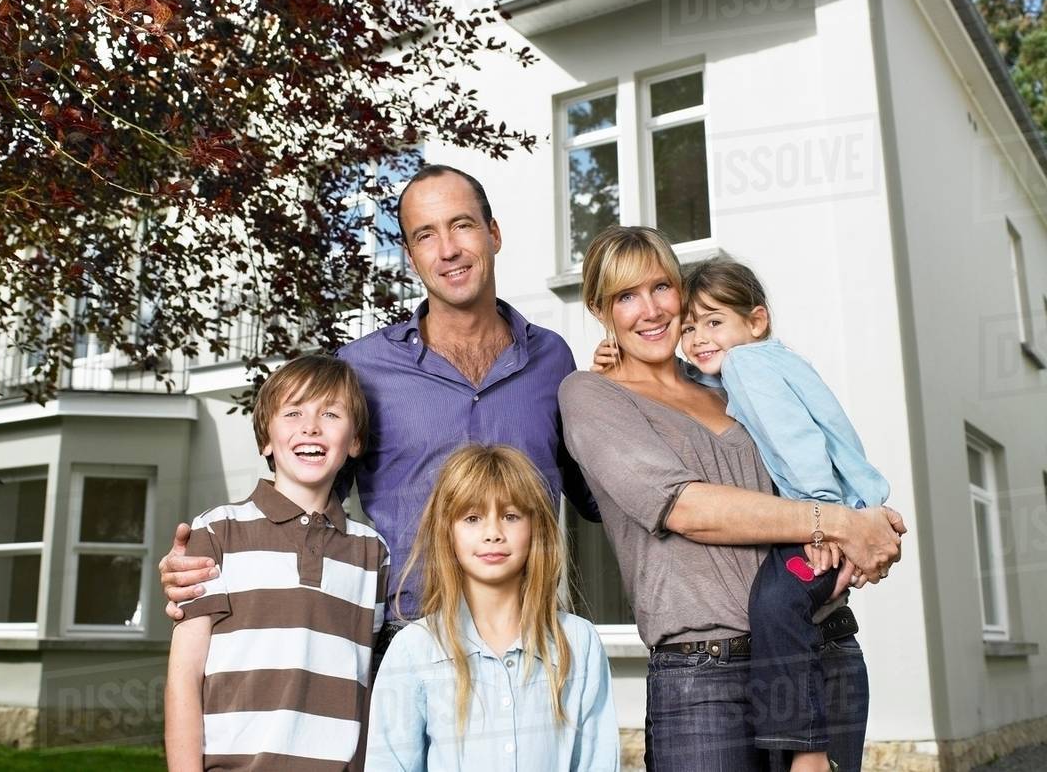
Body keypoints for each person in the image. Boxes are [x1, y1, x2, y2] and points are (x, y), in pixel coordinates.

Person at [159, 165, 600, 663]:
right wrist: (218, 557)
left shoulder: (552, 359)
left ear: (493, 233)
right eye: (426, 236)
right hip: (407, 638)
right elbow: (306, 500)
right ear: (411, 257)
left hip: (531, 633)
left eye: (462, 225)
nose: (448, 250)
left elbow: (595, 495)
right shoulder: (363, 369)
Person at [559, 226, 905, 772]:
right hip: (705, 680)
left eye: (660, 288)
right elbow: (684, 508)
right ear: (601, 309)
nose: (649, 310)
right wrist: (837, 522)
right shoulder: (591, 394)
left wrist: (865, 523)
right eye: (626, 296)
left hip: (821, 649)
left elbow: (810, 460)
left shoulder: (733, 383)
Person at [678, 258, 891, 772]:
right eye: (688, 327)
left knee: (775, 605)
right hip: (836, 512)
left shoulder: (747, 365)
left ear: (756, 320)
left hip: (823, 517)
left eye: (714, 322)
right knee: (789, 607)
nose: (699, 337)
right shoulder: (765, 362)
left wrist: (820, 516)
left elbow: (797, 440)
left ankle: (807, 752)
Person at [164, 355, 388, 772]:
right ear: (265, 439)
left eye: (331, 414)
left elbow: (366, 679)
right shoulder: (216, 532)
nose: (311, 426)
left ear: (355, 441)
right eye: (293, 412)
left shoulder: (373, 552)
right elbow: (184, 677)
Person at [366, 444, 618, 771]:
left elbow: (597, 763)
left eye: (510, 516)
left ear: (536, 527)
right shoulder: (414, 648)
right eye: (472, 518)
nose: (493, 534)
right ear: (447, 532)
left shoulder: (578, 642)